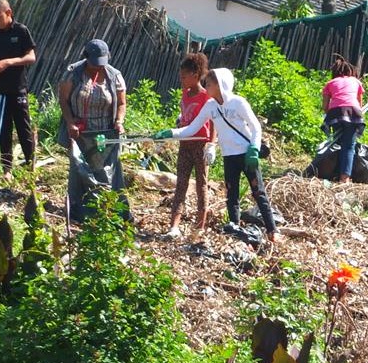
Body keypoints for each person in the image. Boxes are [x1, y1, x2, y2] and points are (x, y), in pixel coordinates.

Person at [153, 68, 278, 243]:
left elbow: (255, 126)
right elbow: (192, 128)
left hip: (246, 154)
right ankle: (235, 230)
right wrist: (171, 133)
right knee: (231, 196)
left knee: (258, 193)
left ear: (221, 85)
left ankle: (272, 231)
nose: (206, 86)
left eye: (209, 83)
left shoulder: (238, 103)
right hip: (229, 156)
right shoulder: (211, 106)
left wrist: (254, 149)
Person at [56, 39, 130, 223]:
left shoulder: (114, 75)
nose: (98, 68)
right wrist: (70, 122)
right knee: (80, 170)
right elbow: (64, 100)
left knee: (106, 170)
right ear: (86, 58)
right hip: (80, 132)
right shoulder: (73, 74)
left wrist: (119, 121)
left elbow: (121, 103)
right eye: (94, 63)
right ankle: (80, 212)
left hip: (105, 132)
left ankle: (109, 211)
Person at [166, 53, 215, 238]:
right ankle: (174, 226)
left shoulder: (206, 96)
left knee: (202, 185)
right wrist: (180, 121)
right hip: (185, 145)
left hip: (200, 146)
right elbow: (184, 116)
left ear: (195, 75)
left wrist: (211, 144)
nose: (181, 79)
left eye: (184, 76)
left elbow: (213, 122)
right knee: (181, 184)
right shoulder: (185, 94)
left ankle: (200, 226)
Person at [0, 0, 37, 171]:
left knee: (24, 129)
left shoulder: (21, 31)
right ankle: (7, 170)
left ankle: (31, 168)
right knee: (4, 131)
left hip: (17, 88)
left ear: (9, 13)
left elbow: (31, 57)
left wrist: (8, 62)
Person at [321, 55, 365, 183]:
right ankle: (344, 178)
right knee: (349, 146)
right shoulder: (356, 81)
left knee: (337, 142)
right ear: (350, 72)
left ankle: (333, 172)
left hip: (335, 114)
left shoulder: (330, 83)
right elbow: (359, 105)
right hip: (353, 113)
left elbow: (325, 107)